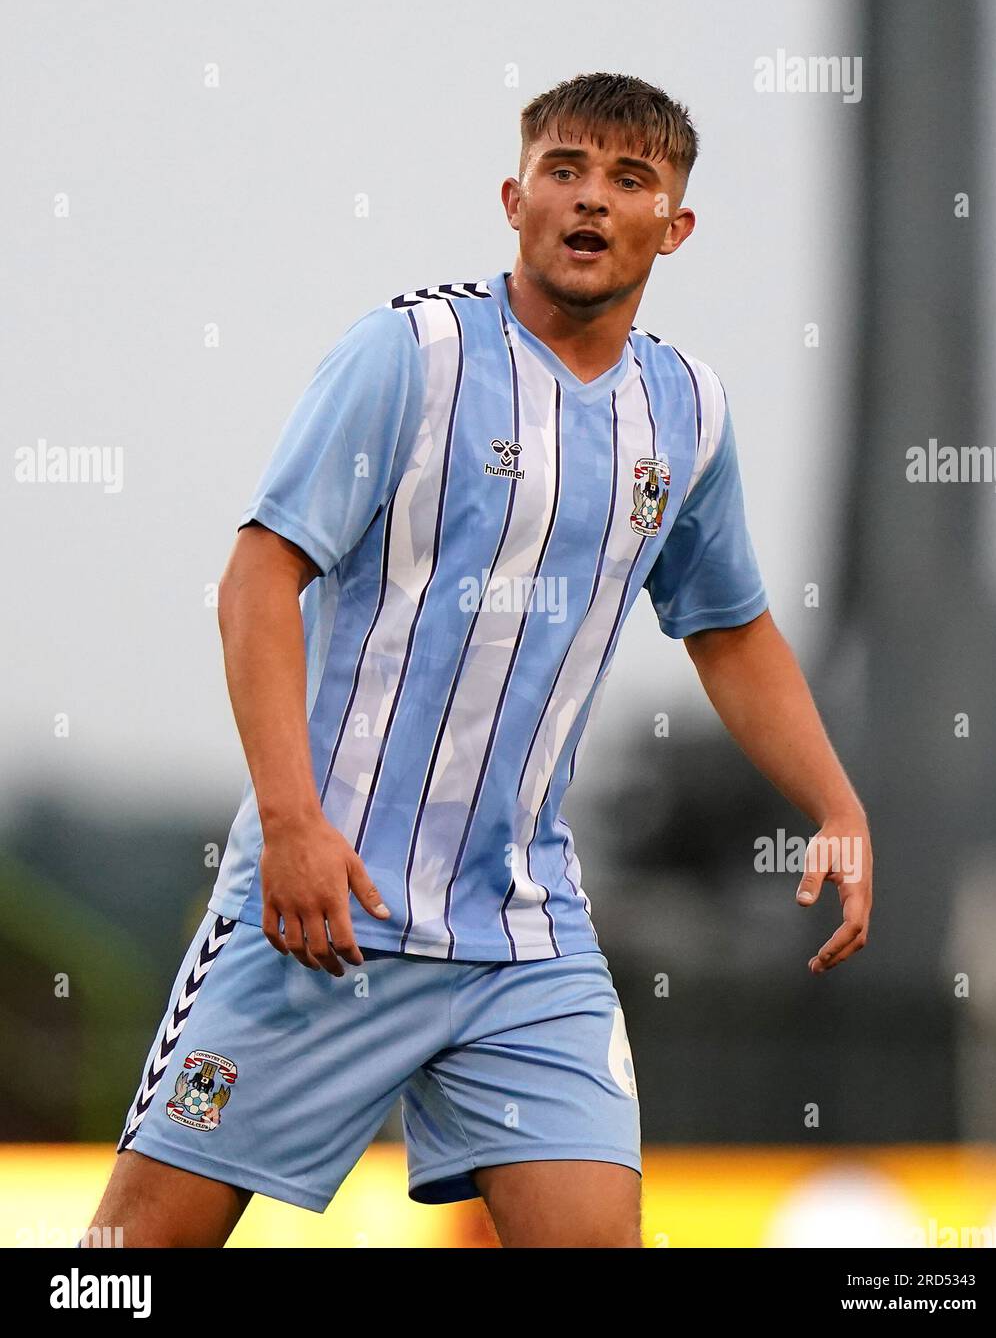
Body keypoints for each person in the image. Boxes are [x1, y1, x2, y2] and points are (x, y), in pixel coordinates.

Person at [84, 70, 872, 1249]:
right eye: (565, 171)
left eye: (629, 179)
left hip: (521, 936)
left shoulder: (686, 413)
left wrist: (835, 800)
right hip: (323, 915)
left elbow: (729, 625)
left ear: (677, 225)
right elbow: (258, 578)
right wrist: (293, 825)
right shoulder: (410, 355)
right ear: (514, 198)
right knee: (126, 1266)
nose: (591, 201)